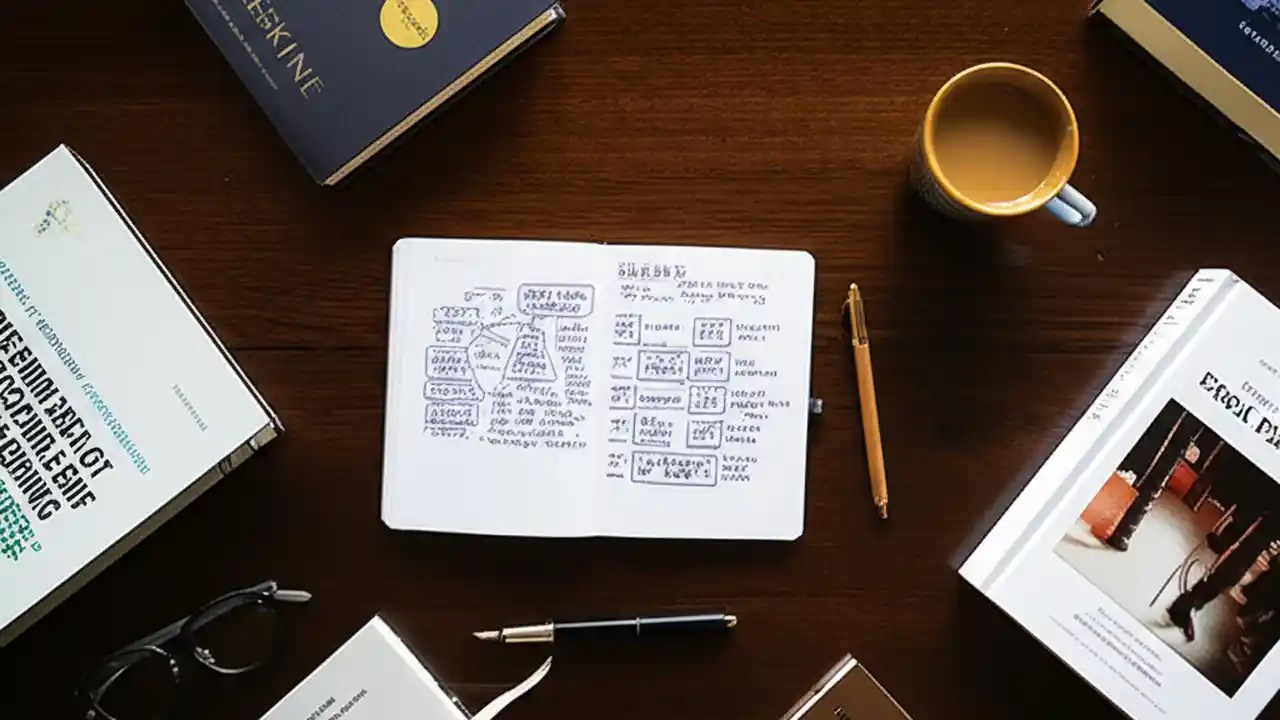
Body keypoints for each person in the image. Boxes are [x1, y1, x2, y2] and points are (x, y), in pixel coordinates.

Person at [1168, 512, 1280, 642]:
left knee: (1227, 575)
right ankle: (1185, 606)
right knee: (1225, 574)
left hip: (1259, 531)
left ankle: (1187, 605)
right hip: (1255, 529)